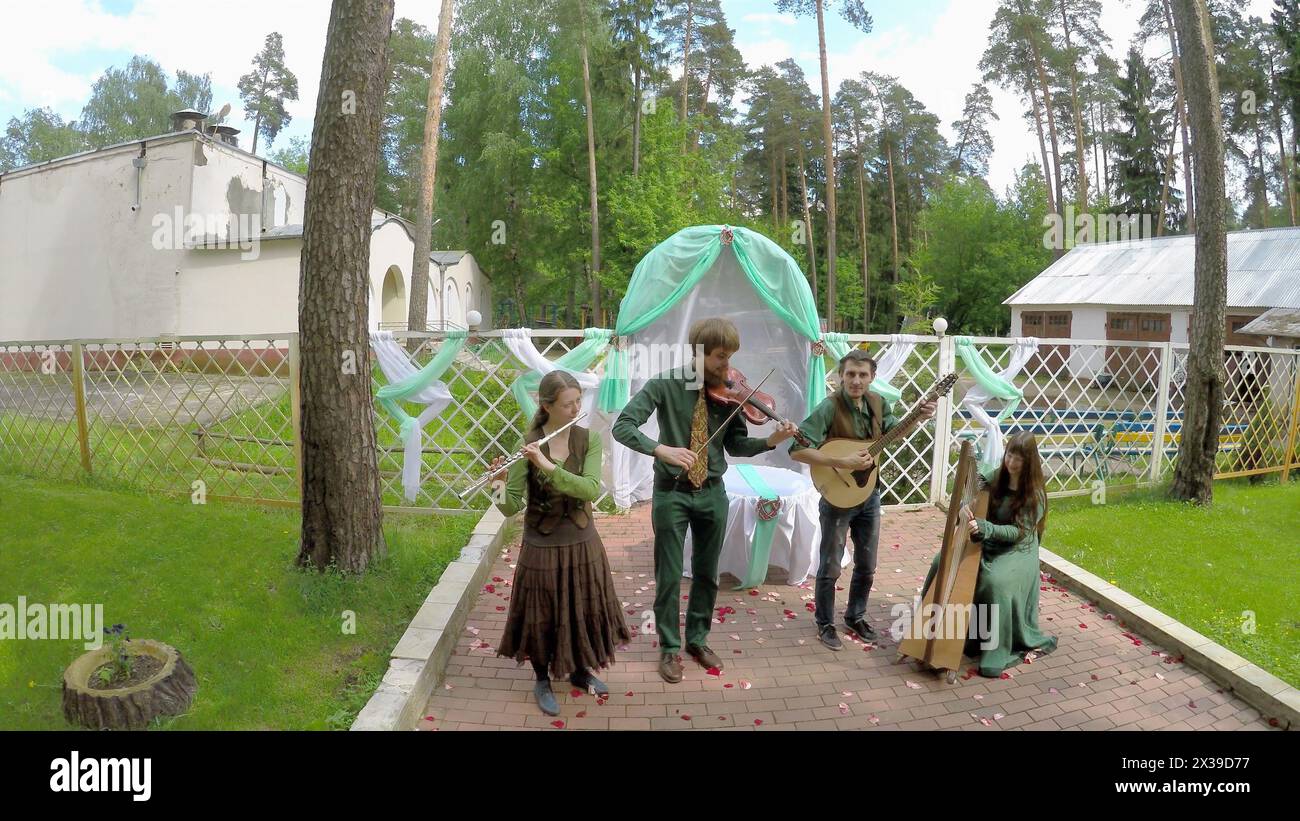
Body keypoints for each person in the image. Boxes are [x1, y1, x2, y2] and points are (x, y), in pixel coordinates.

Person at [612, 317, 799, 684]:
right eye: (719, 359)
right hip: (672, 493)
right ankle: (669, 647)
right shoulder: (665, 384)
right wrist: (660, 449)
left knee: (706, 573)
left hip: (713, 493)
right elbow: (624, 426)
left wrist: (772, 440)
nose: (727, 369)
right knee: (668, 575)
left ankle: (697, 639)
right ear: (697, 353)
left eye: (730, 359)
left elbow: (736, 445)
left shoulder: (729, 394)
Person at [489, 370, 631, 716]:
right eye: (568, 404)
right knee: (542, 614)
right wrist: (496, 483)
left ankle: (581, 672)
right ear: (546, 405)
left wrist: (548, 466)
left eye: (578, 402)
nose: (575, 409)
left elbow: (589, 489)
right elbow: (510, 505)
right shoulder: (529, 442)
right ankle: (542, 678)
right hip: (541, 544)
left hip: (582, 542)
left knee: (581, 609)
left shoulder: (588, 439)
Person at [789, 349, 935, 651]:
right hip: (837, 496)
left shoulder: (879, 404)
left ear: (872, 378)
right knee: (830, 565)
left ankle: (855, 616)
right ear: (841, 376)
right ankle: (825, 623)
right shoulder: (828, 408)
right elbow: (796, 449)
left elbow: (896, 432)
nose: (856, 381)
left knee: (867, 564)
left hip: (869, 494)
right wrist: (841, 463)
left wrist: (918, 416)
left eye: (863, 375)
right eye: (851, 374)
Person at [922, 431, 1058, 678]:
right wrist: (969, 495)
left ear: (1029, 462)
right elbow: (977, 483)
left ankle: (994, 647)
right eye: (1009, 455)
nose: (1011, 463)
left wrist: (986, 528)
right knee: (940, 561)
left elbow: (1018, 532)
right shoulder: (1000, 476)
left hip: (1018, 550)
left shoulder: (1034, 493)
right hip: (990, 540)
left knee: (995, 582)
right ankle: (931, 629)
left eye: (1018, 459)